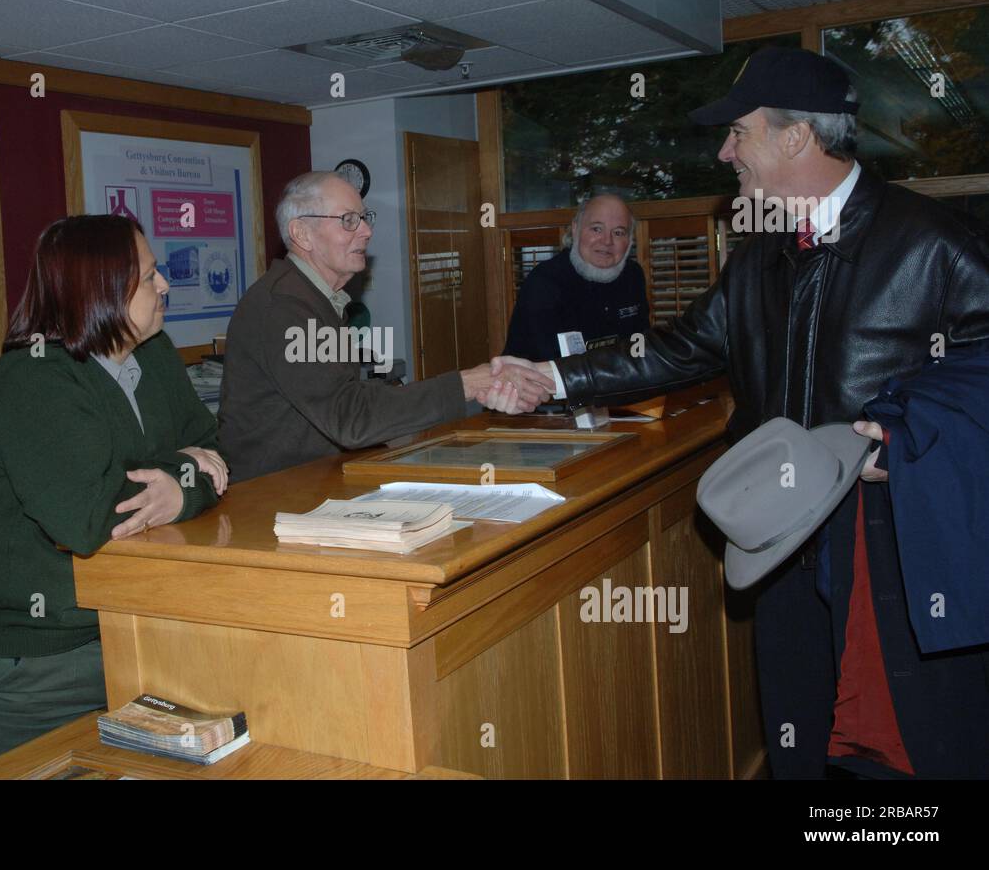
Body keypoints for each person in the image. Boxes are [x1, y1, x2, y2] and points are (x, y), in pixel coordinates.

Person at [501, 46, 989, 778]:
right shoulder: (759, 255)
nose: (727, 150)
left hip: (889, 541)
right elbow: (677, 348)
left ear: (796, 138)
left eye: (741, 132)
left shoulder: (931, 241)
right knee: (799, 732)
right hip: (778, 537)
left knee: (899, 749)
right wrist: (550, 376)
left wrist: (912, 437)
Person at [0, 214, 229, 770]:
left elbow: (212, 449)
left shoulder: (155, 352)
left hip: (127, 631)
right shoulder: (35, 378)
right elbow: (90, 518)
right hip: (31, 668)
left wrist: (179, 485)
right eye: (147, 277)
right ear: (97, 290)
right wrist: (177, 476)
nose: (164, 285)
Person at [218, 171, 556, 483]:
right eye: (348, 220)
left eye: (364, 218)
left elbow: (349, 403)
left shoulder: (313, 299)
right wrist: (470, 382)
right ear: (301, 234)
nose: (366, 231)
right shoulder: (285, 307)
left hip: (314, 484)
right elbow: (350, 419)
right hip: (270, 500)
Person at [503, 194, 650, 360]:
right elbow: (537, 365)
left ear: (630, 240)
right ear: (575, 229)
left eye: (618, 232)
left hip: (626, 382)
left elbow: (641, 348)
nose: (607, 241)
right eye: (596, 229)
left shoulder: (633, 276)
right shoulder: (544, 282)